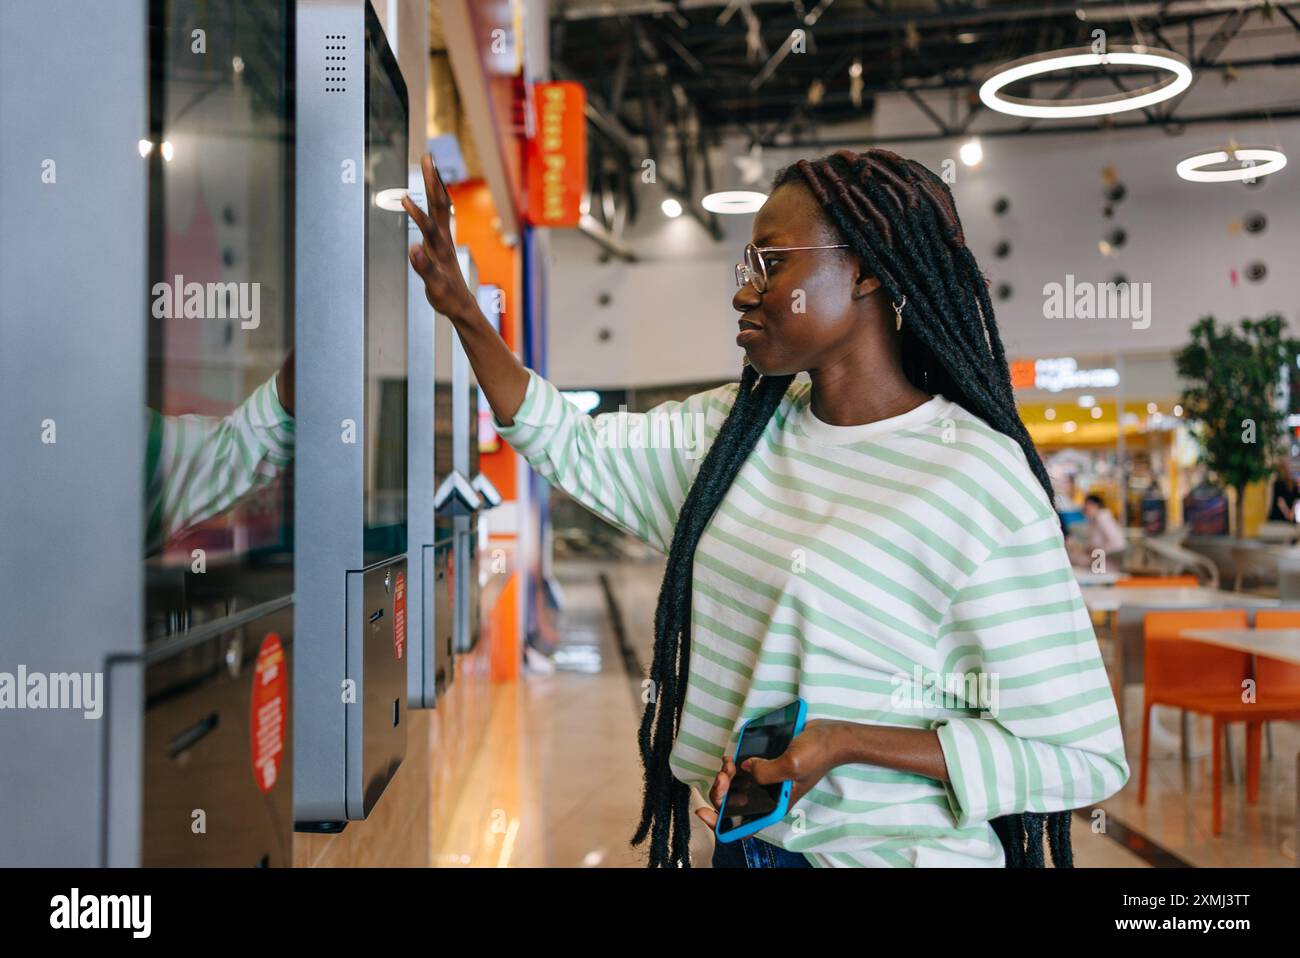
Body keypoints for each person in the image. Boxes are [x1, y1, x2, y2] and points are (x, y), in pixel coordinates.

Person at [403, 149, 1129, 868]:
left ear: (867, 269)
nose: (743, 293)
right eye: (744, 266)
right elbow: (574, 444)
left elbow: (1078, 753)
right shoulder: (737, 433)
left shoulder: (975, 476)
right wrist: (466, 314)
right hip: (748, 850)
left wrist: (847, 742)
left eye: (771, 264)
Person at [1069, 493, 1127, 570]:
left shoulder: (1102, 517)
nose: (1084, 509)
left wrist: (1096, 554)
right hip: (1100, 562)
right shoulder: (1094, 520)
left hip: (1108, 563)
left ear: (1094, 505)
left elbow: (1117, 543)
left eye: (1086, 506)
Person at [1268, 457, 1297, 523]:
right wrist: (1291, 514)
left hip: (1278, 517)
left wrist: (1287, 513)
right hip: (1291, 519)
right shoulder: (1293, 483)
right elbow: (1295, 500)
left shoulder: (1278, 483)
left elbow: (1279, 501)